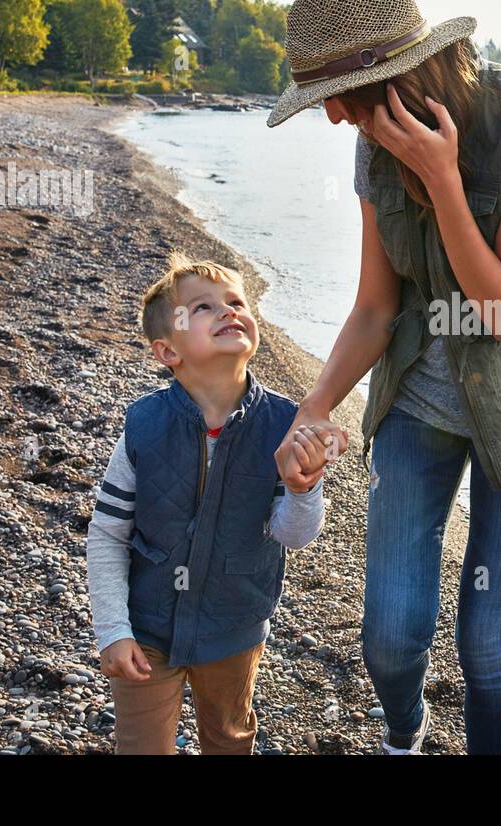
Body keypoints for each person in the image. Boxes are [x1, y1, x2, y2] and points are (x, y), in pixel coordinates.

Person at [267, 0, 501, 754]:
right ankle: (405, 734)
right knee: (390, 638)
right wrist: (313, 407)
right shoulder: (371, 141)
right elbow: (375, 307)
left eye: (337, 102)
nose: (332, 123)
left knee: (487, 643)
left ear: (394, 74)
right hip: (418, 404)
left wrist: (443, 180)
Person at [86, 250, 338, 754]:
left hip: (234, 626)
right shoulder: (144, 426)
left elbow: (293, 535)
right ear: (167, 353)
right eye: (203, 308)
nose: (228, 311)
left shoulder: (284, 424)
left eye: (236, 301)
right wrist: (113, 630)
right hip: (147, 625)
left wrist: (303, 487)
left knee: (229, 739)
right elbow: (108, 532)